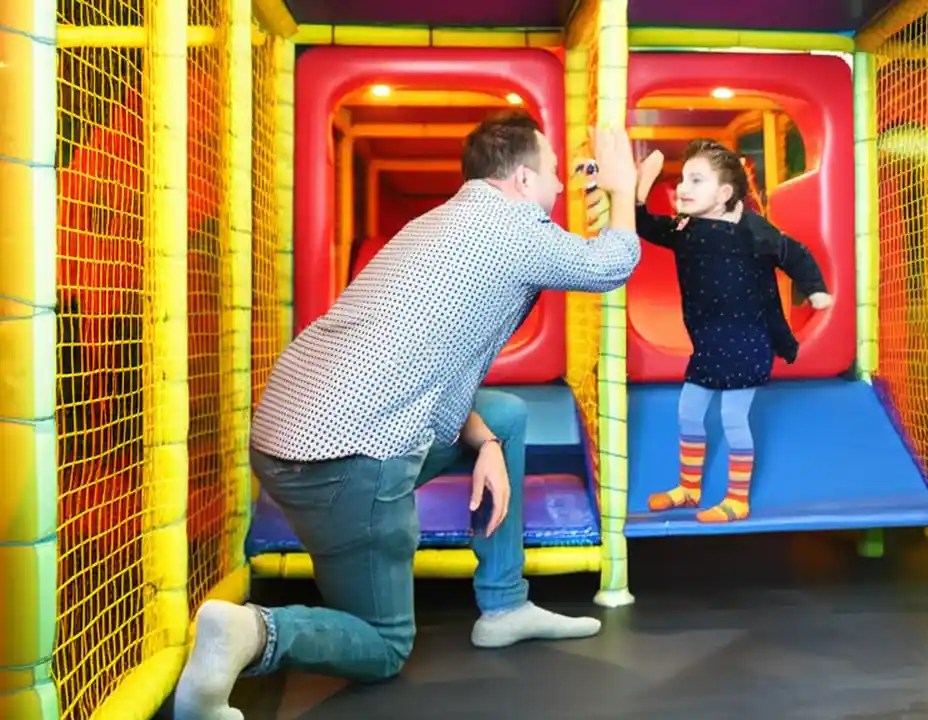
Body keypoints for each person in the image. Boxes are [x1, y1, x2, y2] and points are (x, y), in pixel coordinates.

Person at [174, 110, 640, 720]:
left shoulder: (437, 224)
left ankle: (504, 605)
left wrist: (488, 445)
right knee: (384, 644)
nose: (558, 187)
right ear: (523, 181)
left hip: (293, 436)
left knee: (503, 416)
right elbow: (612, 264)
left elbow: (425, 364)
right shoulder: (514, 226)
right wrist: (624, 188)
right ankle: (250, 633)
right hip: (346, 461)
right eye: (554, 174)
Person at [633, 140, 832, 524]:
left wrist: (816, 290)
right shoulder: (685, 228)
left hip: (748, 340)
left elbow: (794, 254)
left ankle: (737, 499)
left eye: (697, 180)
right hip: (707, 341)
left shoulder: (751, 231)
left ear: (724, 194)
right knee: (688, 413)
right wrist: (640, 193)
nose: (684, 188)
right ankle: (690, 489)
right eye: (683, 180)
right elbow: (646, 227)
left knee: (733, 419)